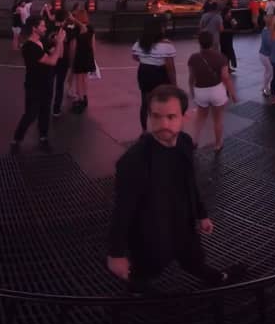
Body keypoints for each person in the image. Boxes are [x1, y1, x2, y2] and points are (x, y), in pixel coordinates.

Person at [106, 85, 247, 294]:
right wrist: (115, 254)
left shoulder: (184, 143)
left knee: (193, 260)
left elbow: (189, 182)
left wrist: (201, 214)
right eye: (156, 116)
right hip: (151, 232)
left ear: (184, 117)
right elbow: (122, 209)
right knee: (147, 269)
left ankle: (218, 278)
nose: (163, 124)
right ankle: (137, 292)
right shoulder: (134, 161)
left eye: (171, 117)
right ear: (148, 116)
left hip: (183, 225)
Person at [12, 15, 65, 153]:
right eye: (42, 25)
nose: (45, 28)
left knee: (45, 112)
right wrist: (59, 42)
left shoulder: (42, 42)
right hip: (34, 86)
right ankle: (17, 139)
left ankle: (43, 137)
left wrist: (59, 42)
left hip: (46, 83)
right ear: (34, 28)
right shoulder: (29, 47)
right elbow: (52, 61)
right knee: (31, 113)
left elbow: (59, 55)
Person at [187, 30, 236, 151]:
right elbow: (225, 77)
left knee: (200, 117)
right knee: (218, 119)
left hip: (200, 91)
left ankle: (194, 141)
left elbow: (191, 77)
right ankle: (218, 144)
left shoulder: (193, 58)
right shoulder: (221, 57)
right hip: (216, 91)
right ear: (212, 42)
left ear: (199, 43)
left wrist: (192, 91)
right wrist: (232, 93)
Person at [130, 17, 177, 132]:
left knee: (145, 103)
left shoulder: (140, 43)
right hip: (160, 74)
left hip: (144, 72)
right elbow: (170, 67)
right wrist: (174, 84)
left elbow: (135, 56)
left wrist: (146, 59)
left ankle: (144, 130)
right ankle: (161, 127)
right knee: (162, 102)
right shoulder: (167, 46)